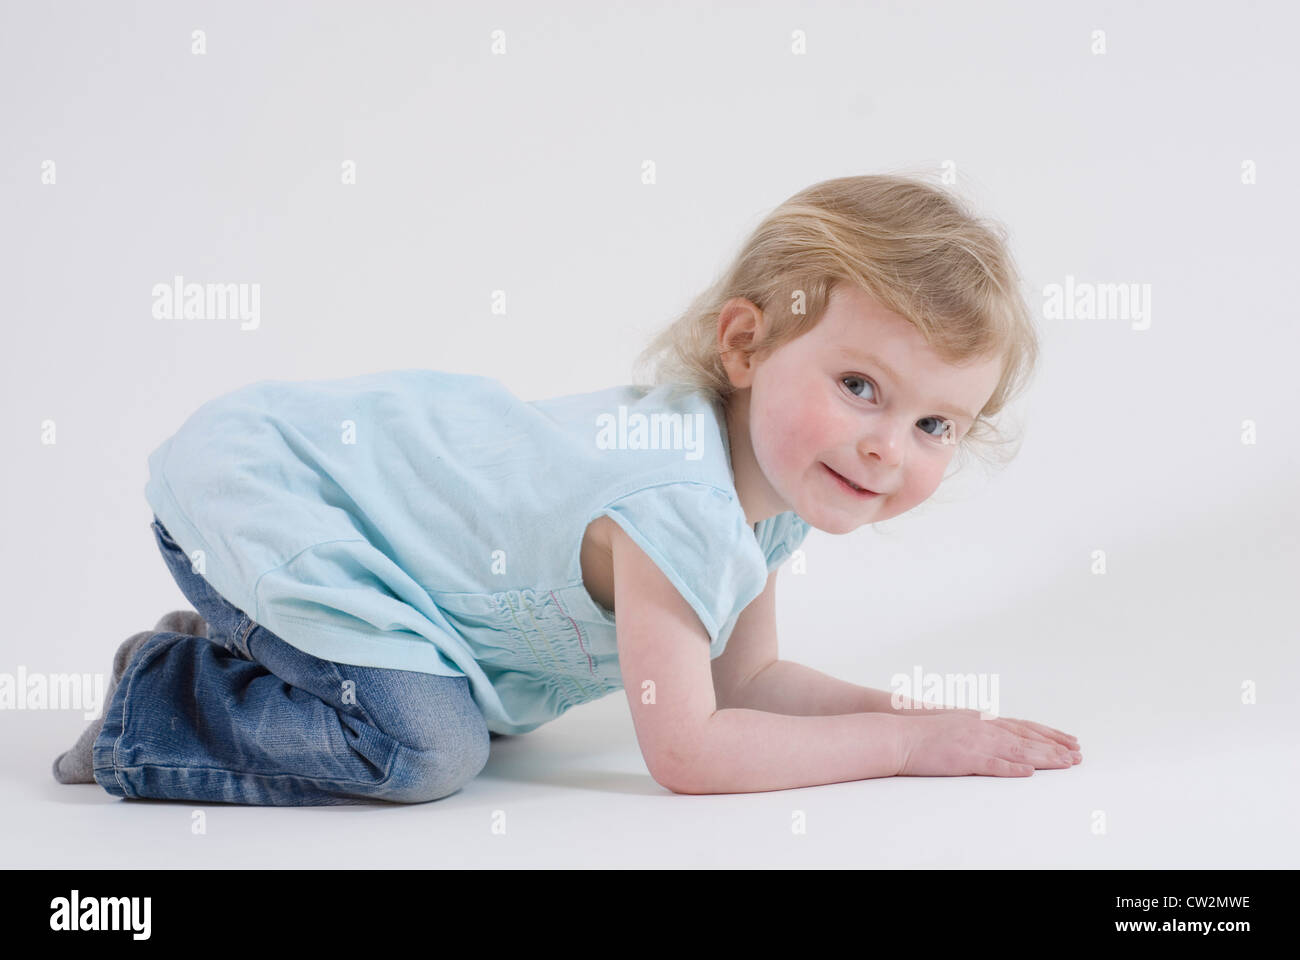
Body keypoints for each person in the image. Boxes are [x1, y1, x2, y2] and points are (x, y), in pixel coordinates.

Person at [52, 173, 1081, 805]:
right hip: (278, 490)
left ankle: (253, 650)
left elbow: (745, 685)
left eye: (932, 424)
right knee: (430, 748)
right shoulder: (676, 495)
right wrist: (904, 747)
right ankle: (159, 704)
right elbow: (689, 748)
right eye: (860, 387)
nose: (885, 449)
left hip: (363, 546)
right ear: (745, 343)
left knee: (480, 719)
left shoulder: (762, 501)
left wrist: (927, 718)